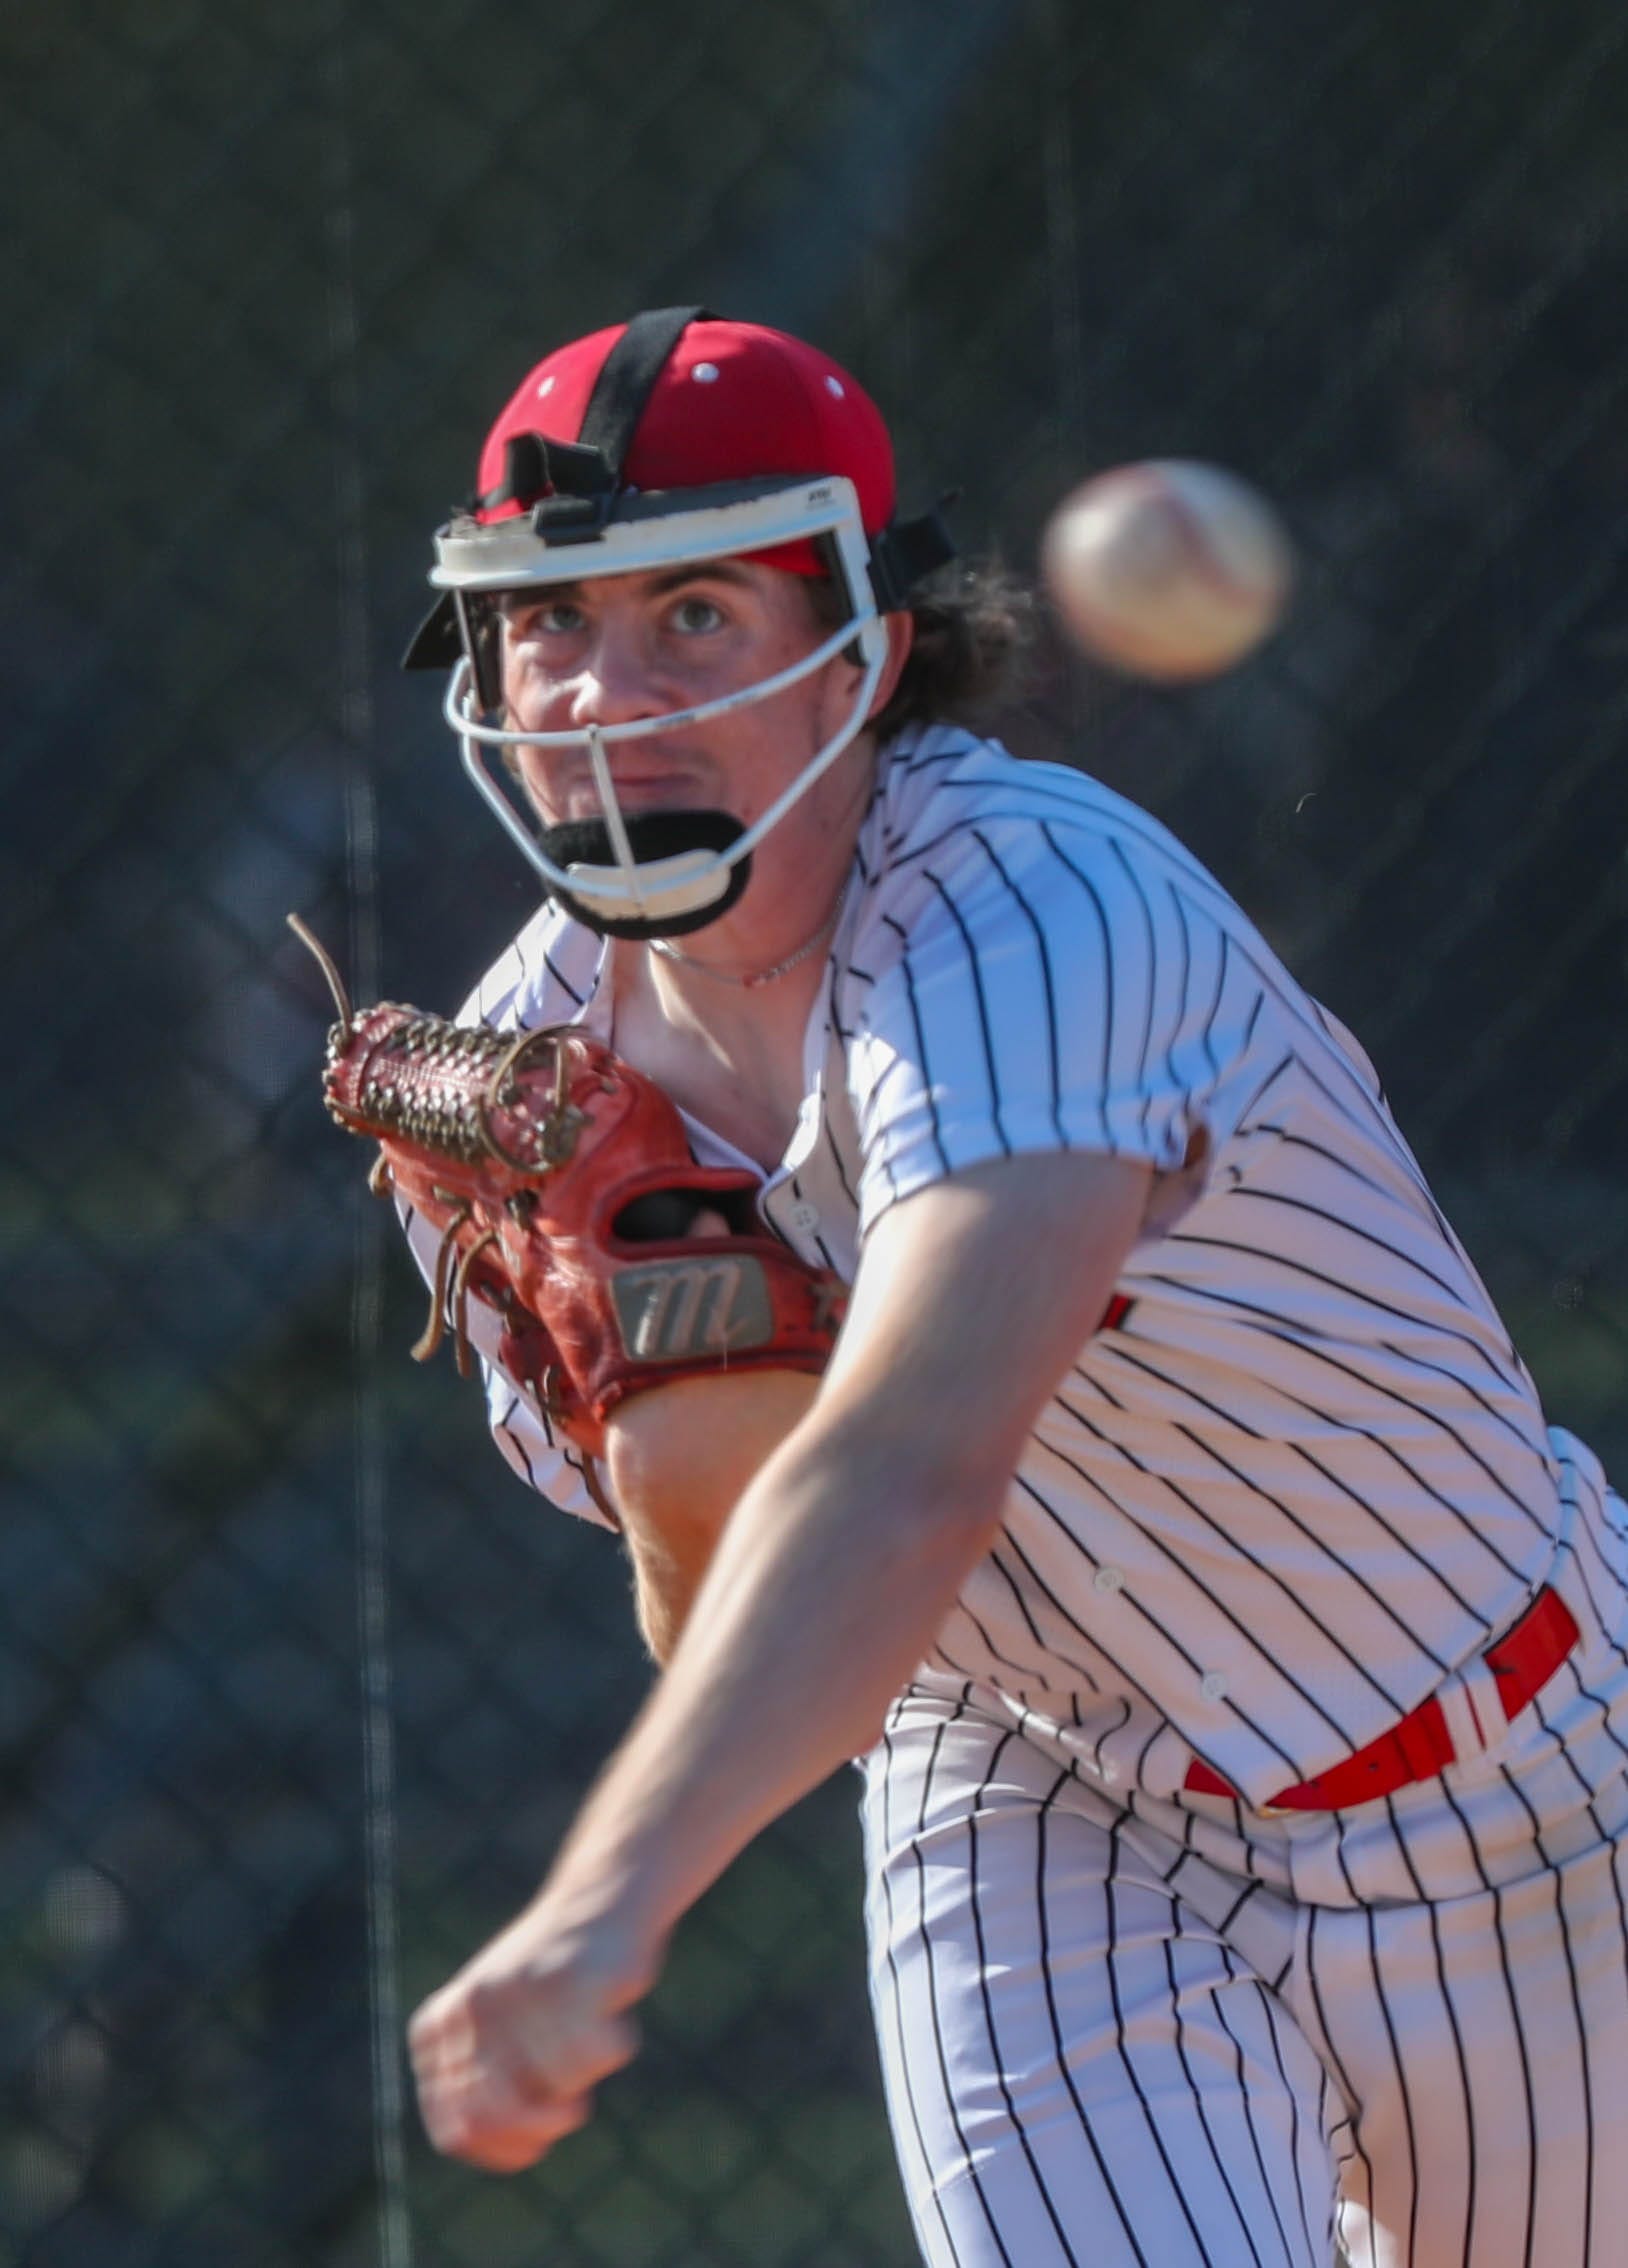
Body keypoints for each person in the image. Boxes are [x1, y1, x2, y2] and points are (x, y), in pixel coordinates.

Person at [398, 309, 1628, 2268]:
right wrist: (676, 1419)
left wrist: (598, 1903)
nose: (605, 695)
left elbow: (912, 1470)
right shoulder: (522, 1082)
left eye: (694, 616)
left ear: (867, 653)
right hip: (1041, 1803)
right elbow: (732, 1610)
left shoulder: (1030, 906)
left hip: (1510, 1779)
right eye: (547, 625)